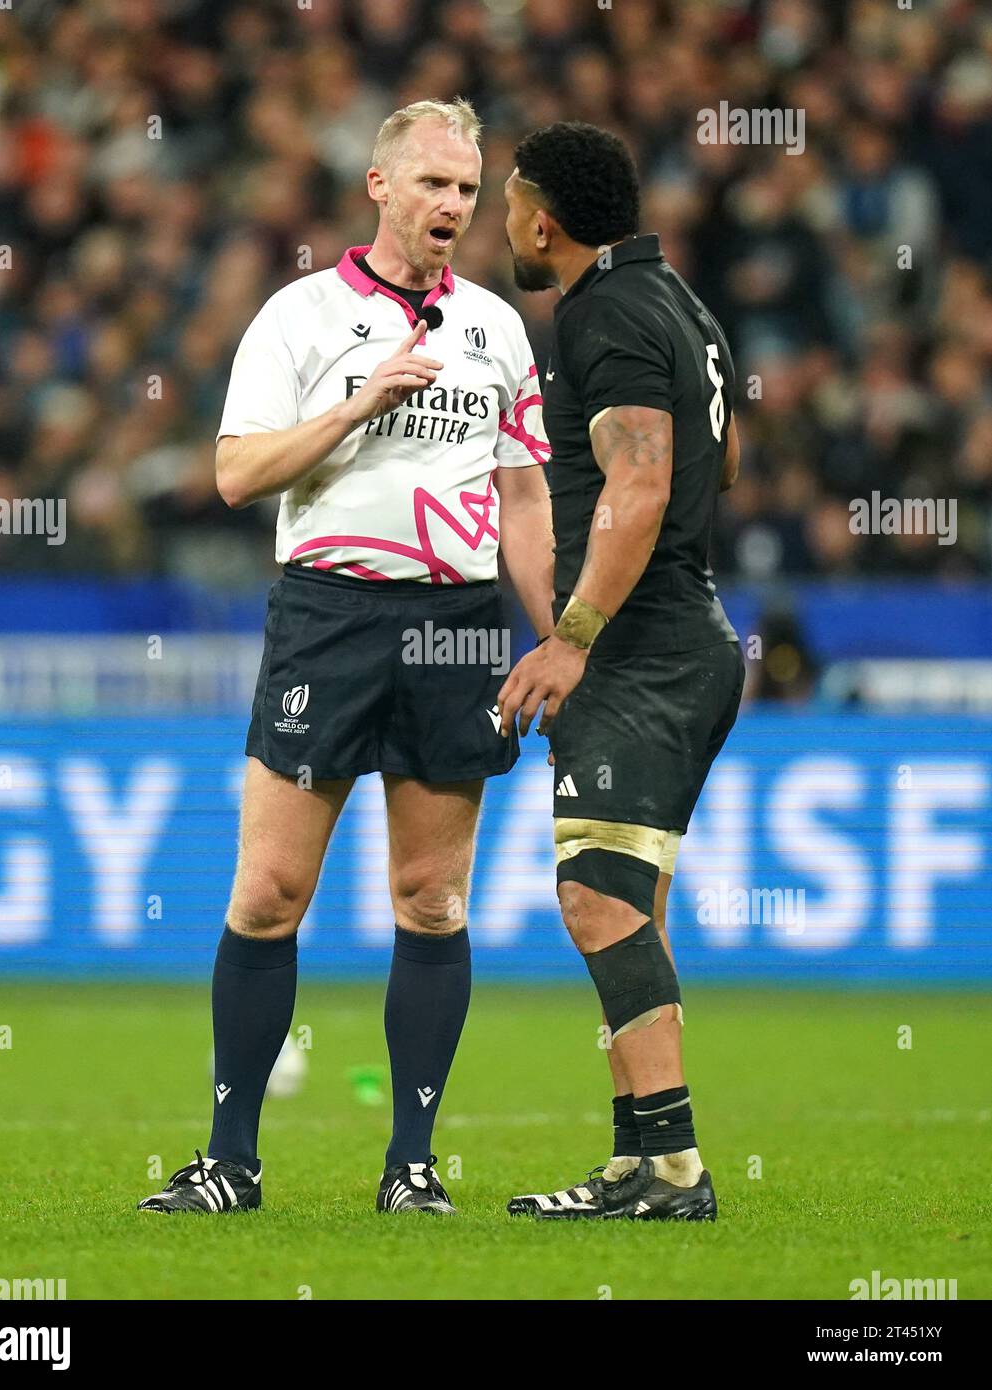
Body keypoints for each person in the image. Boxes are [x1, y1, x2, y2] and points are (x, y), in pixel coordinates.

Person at [138, 99, 552, 1216]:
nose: (452, 207)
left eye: (467, 190)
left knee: (431, 898)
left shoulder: (496, 331)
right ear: (378, 186)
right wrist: (358, 406)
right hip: (329, 613)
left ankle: (410, 1166)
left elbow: (520, 493)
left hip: (459, 618)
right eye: (431, 184)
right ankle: (230, 1159)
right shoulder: (299, 316)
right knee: (270, 892)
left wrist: (557, 632)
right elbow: (233, 475)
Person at [497, 121, 744, 1221]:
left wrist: (572, 634)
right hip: (677, 633)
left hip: (644, 649)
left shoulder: (603, 313)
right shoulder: (673, 300)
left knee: (594, 898)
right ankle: (641, 1161)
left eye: (506, 201)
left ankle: (673, 1168)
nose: (502, 222)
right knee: (622, 899)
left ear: (541, 218)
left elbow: (637, 482)